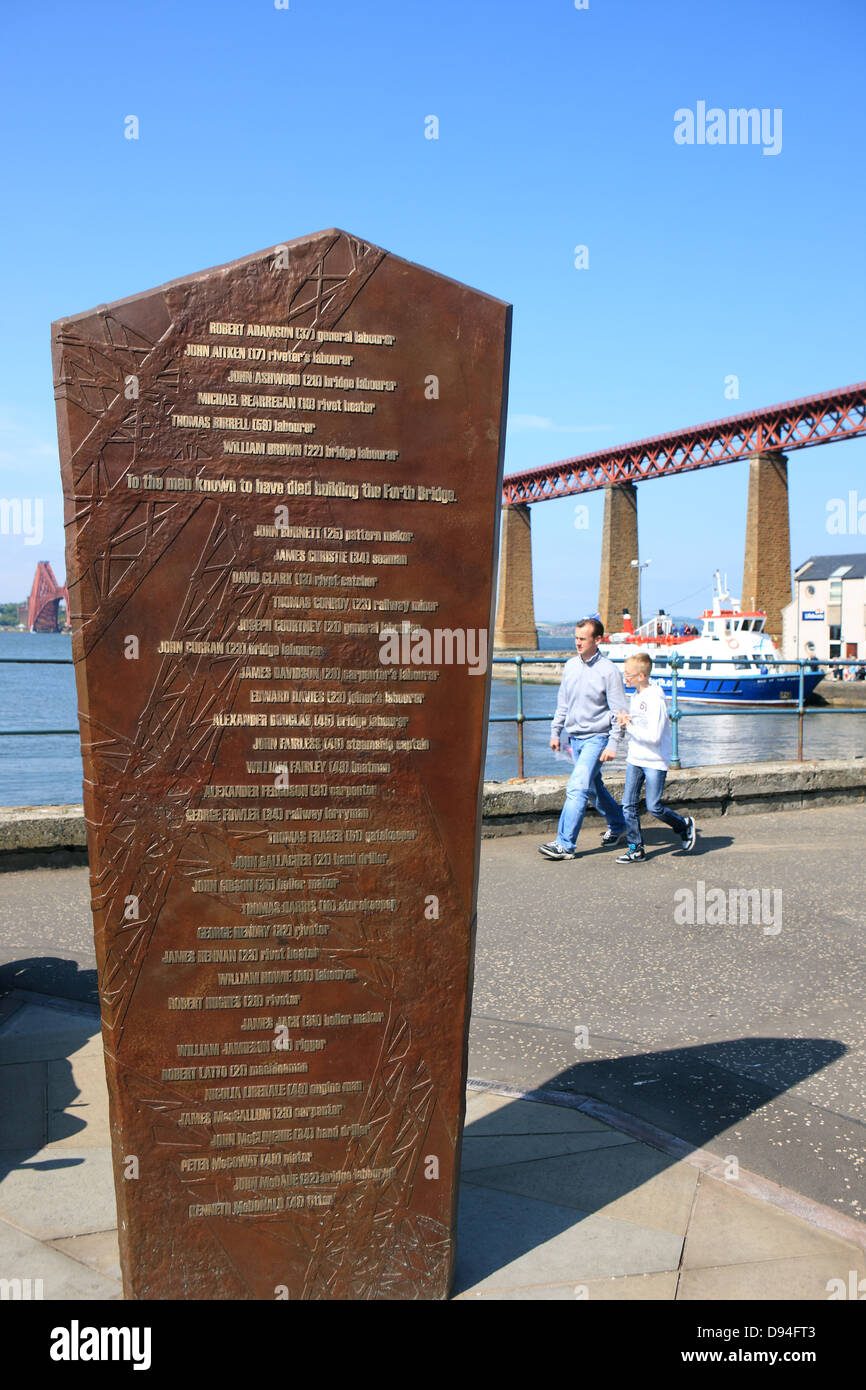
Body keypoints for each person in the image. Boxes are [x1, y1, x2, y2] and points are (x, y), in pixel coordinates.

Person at [538, 617, 627, 861]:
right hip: (574, 738)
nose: (577, 642)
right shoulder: (570, 666)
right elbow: (563, 703)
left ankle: (565, 844)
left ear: (597, 640)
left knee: (577, 787)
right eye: (576, 638)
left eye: (582, 638)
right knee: (594, 790)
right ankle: (620, 825)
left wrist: (612, 743)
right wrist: (555, 732)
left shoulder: (609, 671)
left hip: (597, 739)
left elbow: (620, 712)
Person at [615, 651, 696, 863]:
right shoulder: (636, 696)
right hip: (635, 758)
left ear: (642, 676)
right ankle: (635, 848)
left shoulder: (655, 699)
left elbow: (653, 737)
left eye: (629, 675)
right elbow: (639, 726)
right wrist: (627, 721)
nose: (626, 678)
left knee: (654, 807)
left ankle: (683, 825)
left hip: (654, 761)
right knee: (628, 804)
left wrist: (630, 726)